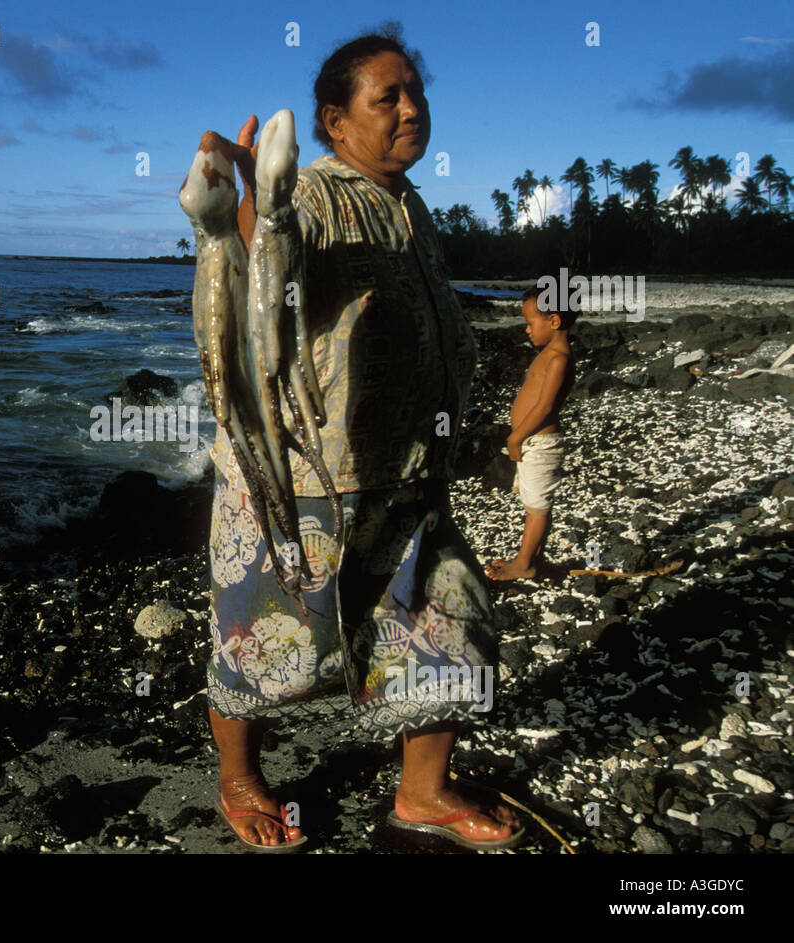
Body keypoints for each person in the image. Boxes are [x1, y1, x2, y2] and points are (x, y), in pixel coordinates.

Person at [201, 31, 522, 850]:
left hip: (409, 470)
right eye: (390, 98)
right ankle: (239, 779)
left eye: (416, 93)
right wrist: (249, 193)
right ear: (335, 122)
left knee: (451, 615)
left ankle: (422, 791)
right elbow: (261, 255)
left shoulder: (410, 205)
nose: (412, 109)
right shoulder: (314, 193)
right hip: (305, 475)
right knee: (266, 642)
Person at [486, 286, 577, 581]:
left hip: (541, 443)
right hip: (532, 442)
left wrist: (516, 437)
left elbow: (545, 407)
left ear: (553, 321)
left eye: (530, 322)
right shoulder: (548, 354)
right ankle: (532, 558)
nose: (526, 330)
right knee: (533, 504)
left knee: (537, 508)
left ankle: (524, 563)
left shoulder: (559, 358)